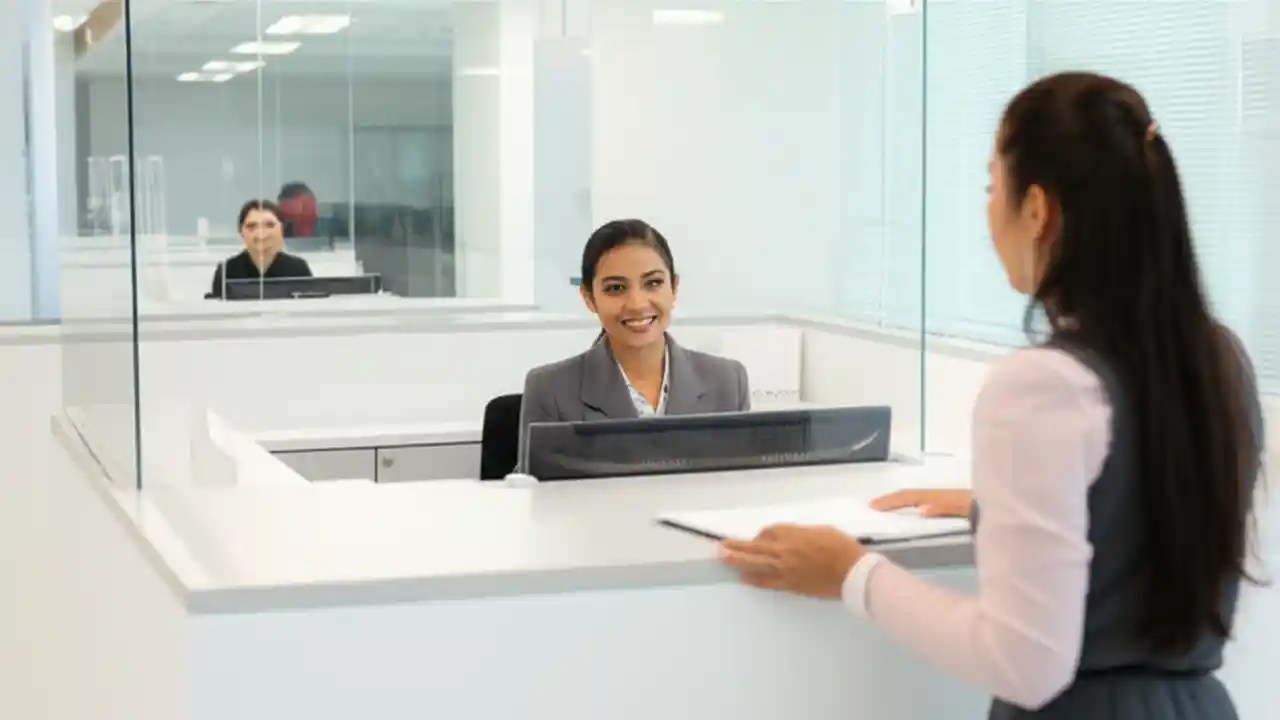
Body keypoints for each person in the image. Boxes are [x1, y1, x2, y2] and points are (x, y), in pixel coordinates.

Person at [718, 72, 1264, 719]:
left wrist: (849, 571)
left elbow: (1025, 662)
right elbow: (1149, 510)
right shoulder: (1219, 358)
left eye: (990, 184)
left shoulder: (1042, 385)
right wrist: (1002, 503)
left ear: (1037, 209)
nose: (987, 208)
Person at [518, 219, 751, 461]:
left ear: (674, 288)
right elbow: (533, 493)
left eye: (653, 283)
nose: (638, 304)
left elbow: (743, 489)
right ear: (589, 298)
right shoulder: (550, 390)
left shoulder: (728, 382)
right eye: (616, 288)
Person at [208, 199, 313, 299]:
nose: (261, 234)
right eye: (252, 226)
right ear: (241, 232)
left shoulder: (298, 269)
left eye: (269, 225)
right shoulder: (227, 271)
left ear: (281, 229)